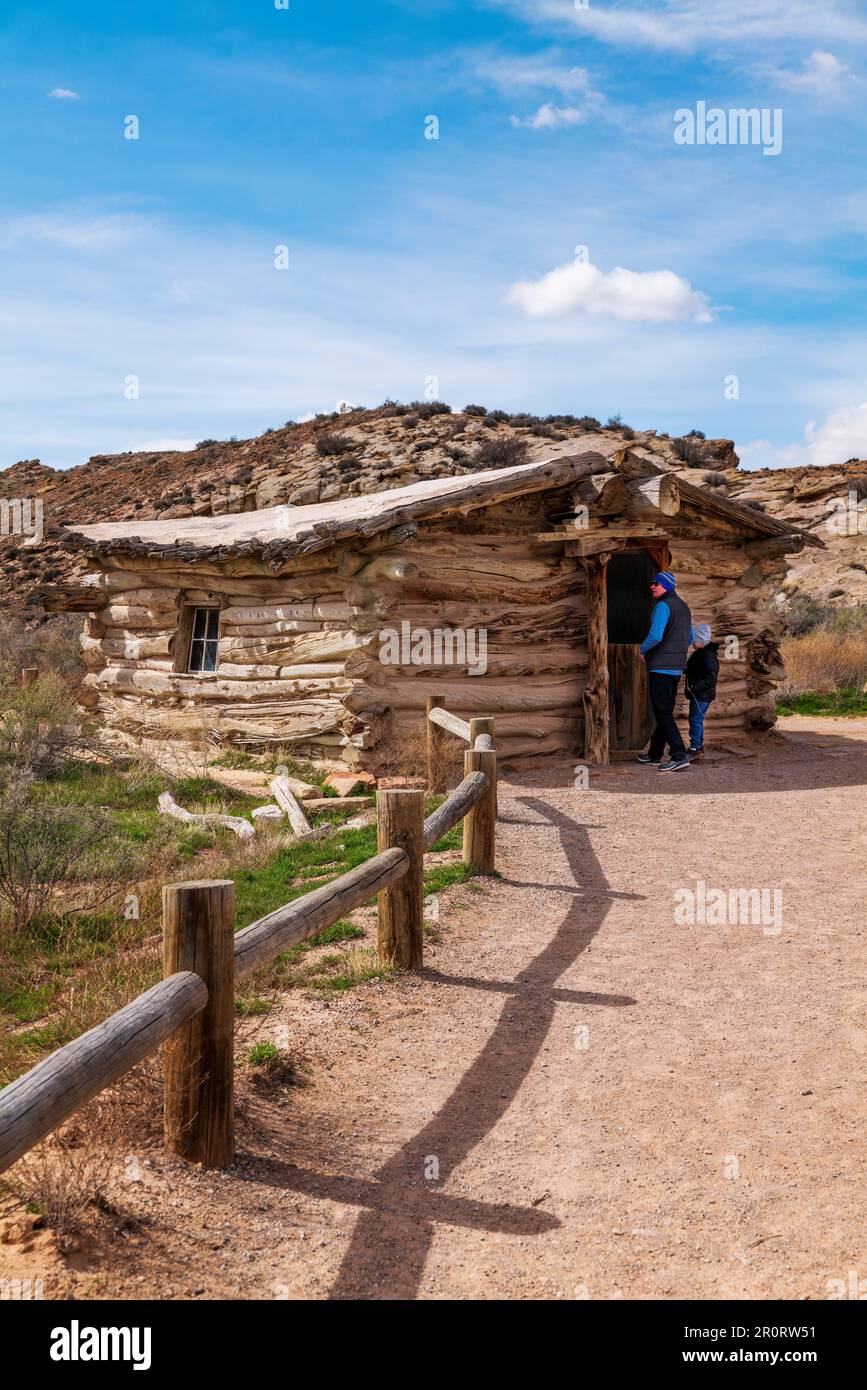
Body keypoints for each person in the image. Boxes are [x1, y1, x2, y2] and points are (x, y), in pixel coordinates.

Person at [636, 570, 694, 772]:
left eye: (656, 583)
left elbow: (655, 636)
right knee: (665, 711)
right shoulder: (684, 607)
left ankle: (679, 754)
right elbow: (690, 638)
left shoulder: (663, 606)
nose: (652, 586)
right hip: (676, 668)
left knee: (662, 712)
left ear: (666, 586)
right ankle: (655, 754)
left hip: (660, 666)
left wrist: (641, 650)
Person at [685, 623, 720, 760]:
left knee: (695, 720)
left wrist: (694, 687)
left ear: (699, 639)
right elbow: (694, 670)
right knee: (697, 719)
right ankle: (698, 746)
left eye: (694, 638)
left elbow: (710, 677)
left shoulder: (707, 655)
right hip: (699, 693)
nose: (692, 641)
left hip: (702, 694)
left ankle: (694, 749)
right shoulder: (701, 654)